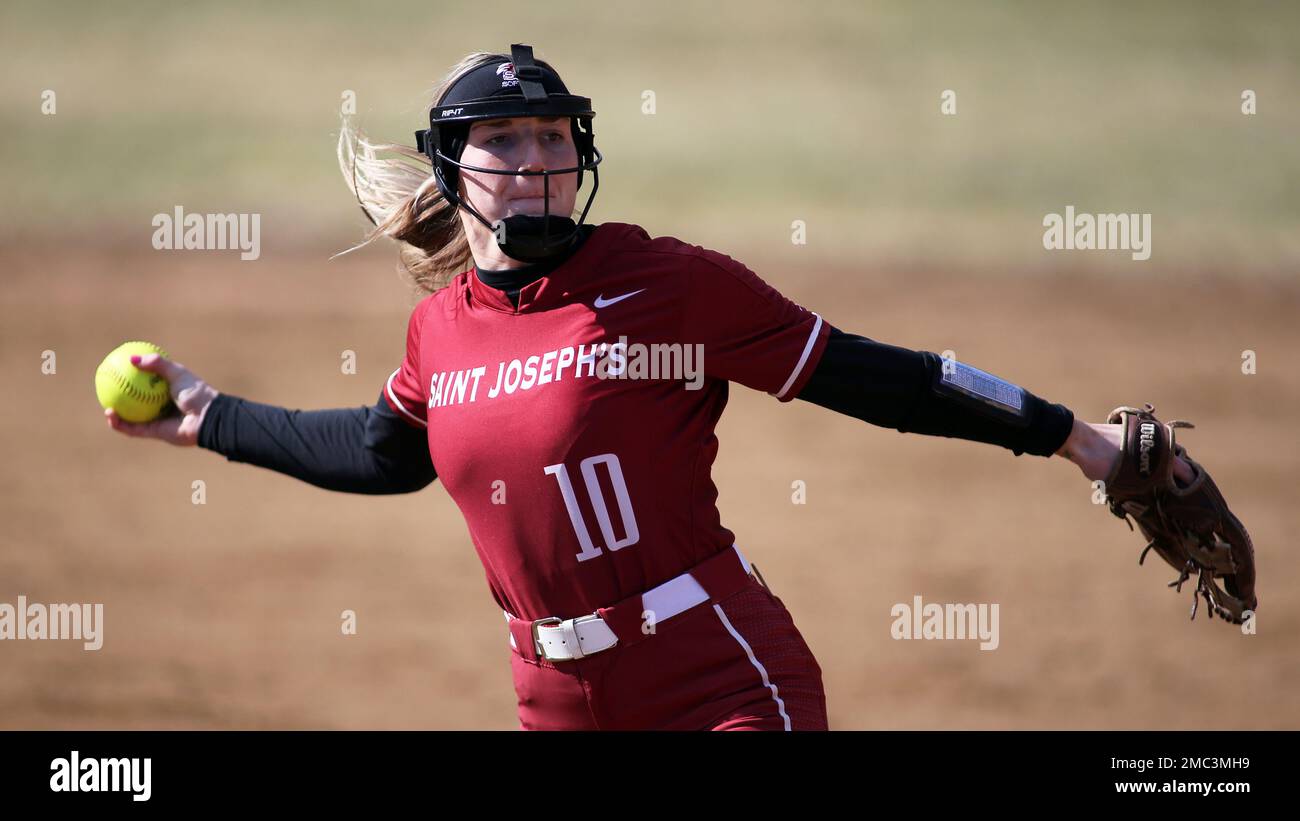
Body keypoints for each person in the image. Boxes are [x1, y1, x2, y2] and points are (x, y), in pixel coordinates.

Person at [105, 44, 1196, 730]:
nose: (534, 158)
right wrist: (210, 417)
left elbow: (875, 377)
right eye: (501, 140)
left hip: (712, 674)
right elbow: (385, 451)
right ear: (451, 170)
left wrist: (1077, 439)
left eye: (550, 136)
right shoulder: (440, 330)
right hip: (551, 698)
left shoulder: (663, 283)